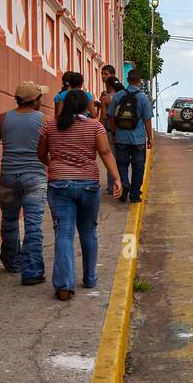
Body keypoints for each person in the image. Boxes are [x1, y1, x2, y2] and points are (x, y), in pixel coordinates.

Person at [38, 89, 122, 301]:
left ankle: (64, 285)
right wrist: (117, 178)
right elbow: (105, 153)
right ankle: (90, 278)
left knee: (64, 233)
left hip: (59, 186)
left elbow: (40, 153)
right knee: (88, 231)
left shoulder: (49, 125)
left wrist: (55, 166)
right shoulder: (95, 126)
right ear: (86, 106)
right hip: (88, 185)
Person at [0, 81, 50, 286]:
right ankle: (33, 270)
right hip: (34, 178)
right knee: (33, 224)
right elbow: (51, 151)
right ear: (34, 100)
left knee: (9, 220)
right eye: (40, 98)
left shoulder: (3, 119)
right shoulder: (45, 121)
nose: (41, 101)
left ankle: (12, 262)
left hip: (8, 178)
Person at [108, 69, 154, 204]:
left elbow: (111, 116)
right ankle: (134, 195)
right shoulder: (143, 98)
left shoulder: (118, 96)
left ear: (127, 80)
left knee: (121, 164)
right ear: (140, 81)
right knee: (138, 167)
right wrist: (149, 138)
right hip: (138, 139)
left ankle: (124, 184)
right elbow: (147, 120)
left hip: (121, 137)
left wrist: (113, 133)